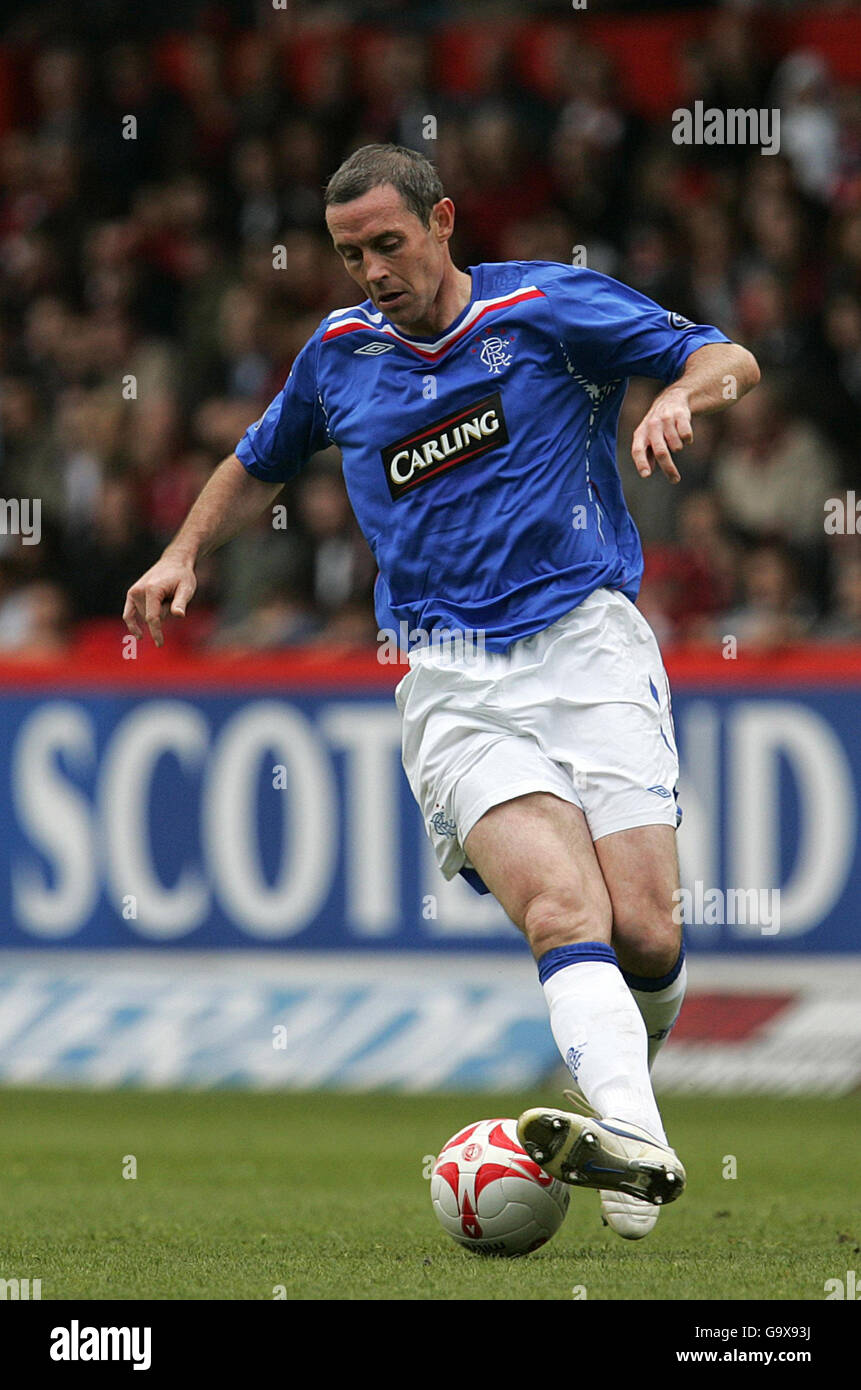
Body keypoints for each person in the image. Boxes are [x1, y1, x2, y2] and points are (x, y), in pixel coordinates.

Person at [124, 144, 760, 1240]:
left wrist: (677, 402)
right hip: (453, 682)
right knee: (566, 912)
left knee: (647, 931)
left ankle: (622, 1101)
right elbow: (256, 460)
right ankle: (636, 1141)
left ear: (443, 222)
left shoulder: (546, 307)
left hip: (588, 648)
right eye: (347, 253)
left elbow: (727, 353)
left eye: (387, 243)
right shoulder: (338, 358)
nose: (370, 270)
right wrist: (184, 551)